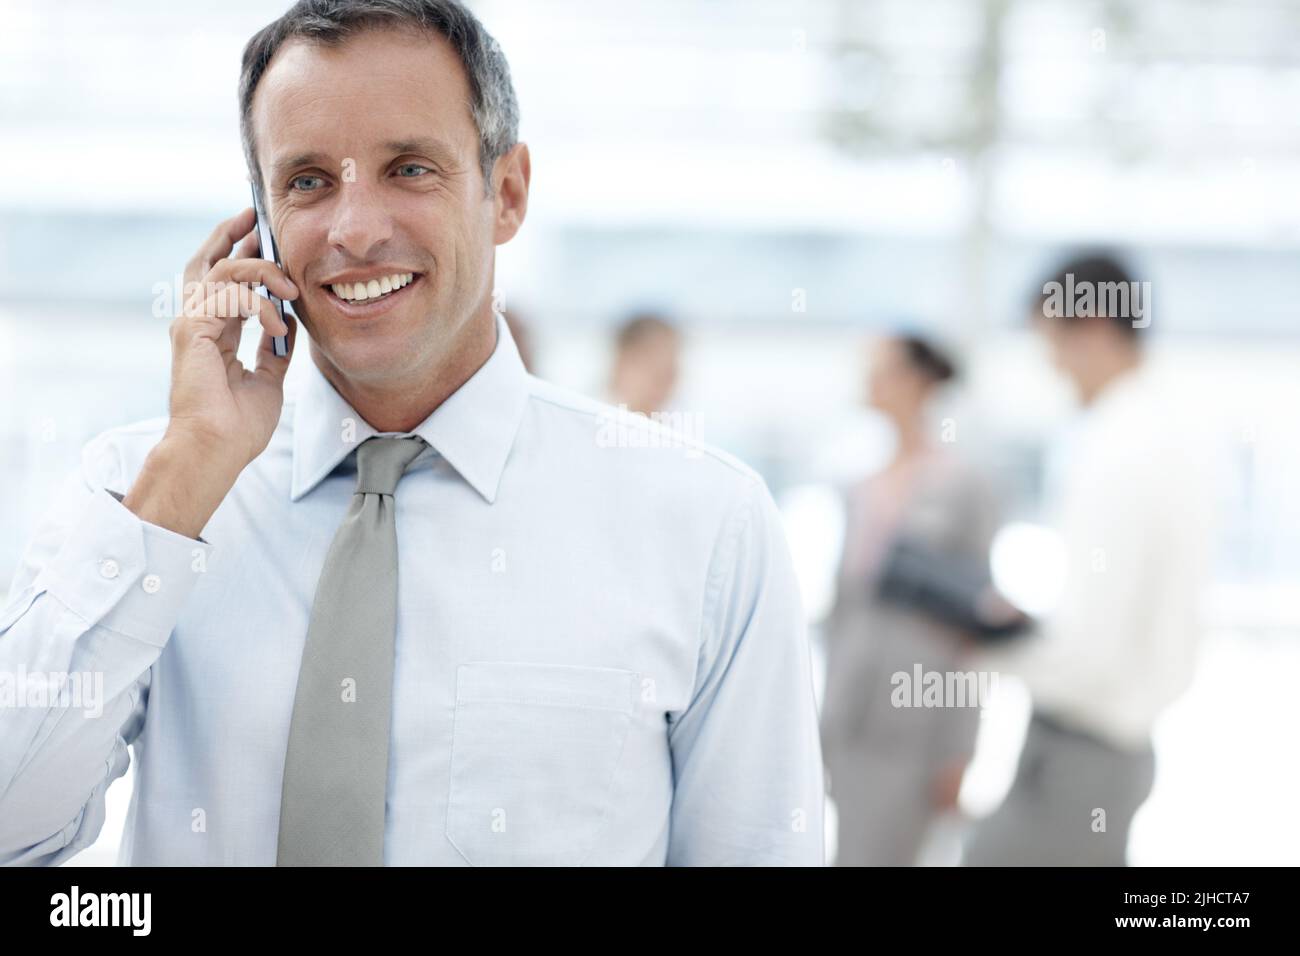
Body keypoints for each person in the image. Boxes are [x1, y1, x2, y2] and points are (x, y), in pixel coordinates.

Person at [0, 0, 823, 867]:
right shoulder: (142, 492)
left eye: (409, 169)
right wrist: (189, 470)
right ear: (261, 223)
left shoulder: (705, 524)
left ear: (505, 193)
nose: (355, 230)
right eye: (309, 181)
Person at [964, 253, 1215, 866]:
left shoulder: (1119, 445)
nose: (1051, 367)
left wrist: (990, 645)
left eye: (1053, 344)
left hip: (1083, 753)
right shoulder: (1167, 430)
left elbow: (1091, 651)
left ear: (1097, 328)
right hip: (1106, 752)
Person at [820, 333, 1003, 866]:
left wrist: (960, 747)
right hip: (851, 719)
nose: (871, 380)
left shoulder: (963, 485)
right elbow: (842, 614)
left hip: (918, 725)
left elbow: (975, 625)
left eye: (885, 369)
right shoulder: (860, 487)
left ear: (921, 381)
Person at [606, 312, 680, 416]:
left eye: (669, 369)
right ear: (621, 364)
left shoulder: (678, 422)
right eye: (651, 367)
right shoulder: (587, 417)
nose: (663, 382)